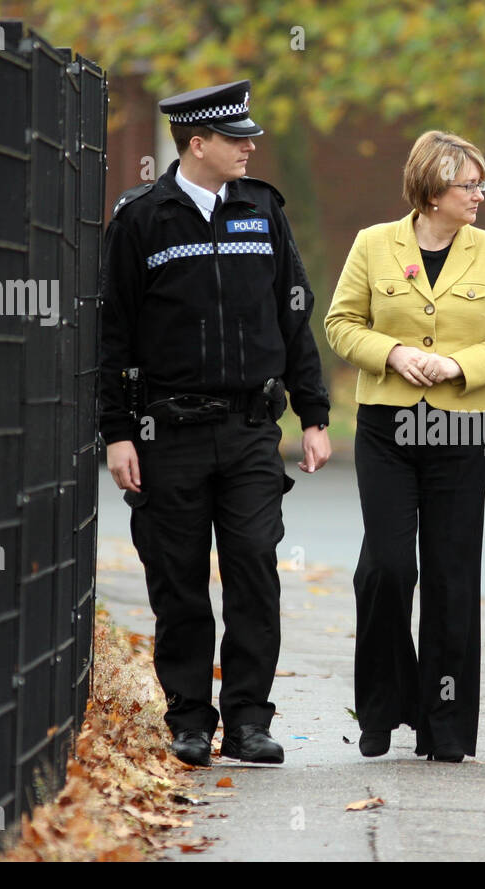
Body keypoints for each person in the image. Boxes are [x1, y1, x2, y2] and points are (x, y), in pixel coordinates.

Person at [99, 80, 332, 768]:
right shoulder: (142, 218)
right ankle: (190, 721)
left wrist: (314, 413)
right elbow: (112, 333)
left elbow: (294, 314)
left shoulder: (262, 210)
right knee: (177, 579)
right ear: (197, 144)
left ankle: (250, 720)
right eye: (236, 139)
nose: (249, 147)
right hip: (165, 431)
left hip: (250, 426)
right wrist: (116, 432)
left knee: (255, 565)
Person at [324, 131, 485, 762]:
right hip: (386, 427)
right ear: (432, 189)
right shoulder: (372, 244)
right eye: (469, 184)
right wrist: (392, 353)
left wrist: (458, 366)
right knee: (388, 568)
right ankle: (382, 708)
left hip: (460, 428)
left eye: (481, 183)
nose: (479, 194)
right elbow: (340, 324)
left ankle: (445, 726)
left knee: (451, 574)